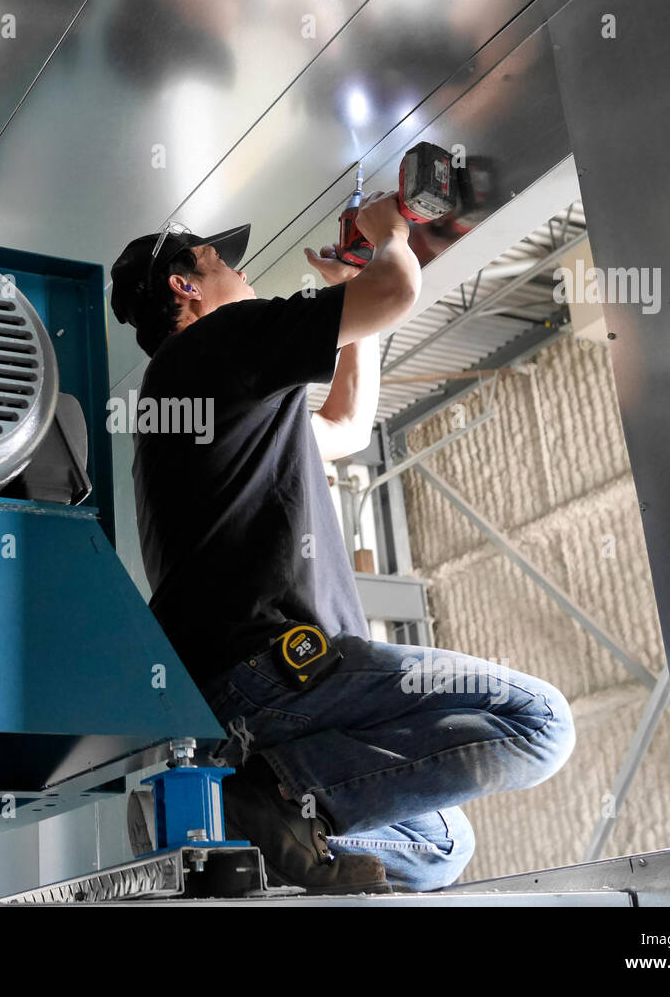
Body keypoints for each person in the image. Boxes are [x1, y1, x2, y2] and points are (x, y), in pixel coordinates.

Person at [109, 192, 575, 894]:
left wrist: (343, 301)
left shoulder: (199, 396)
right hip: (269, 667)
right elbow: (393, 290)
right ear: (185, 284)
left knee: (443, 842)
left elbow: (349, 425)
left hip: (230, 700)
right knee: (537, 721)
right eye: (219, 261)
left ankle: (254, 824)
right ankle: (259, 800)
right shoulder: (216, 342)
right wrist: (393, 233)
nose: (244, 276)